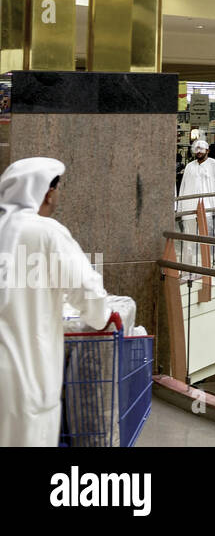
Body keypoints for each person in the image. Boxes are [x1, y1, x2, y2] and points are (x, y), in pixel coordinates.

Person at [0, 158, 111, 446]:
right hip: (26, 379)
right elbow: (90, 296)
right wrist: (103, 314)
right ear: (47, 193)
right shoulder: (46, 232)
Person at [177, 139, 215, 263]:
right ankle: (191, 258)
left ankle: (214, 257)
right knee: (190, 234)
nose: (198, 151)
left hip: (209, 205)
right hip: (189, 206)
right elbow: (183, 186)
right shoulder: (189, 166)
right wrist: (180, 206)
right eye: (196, 149)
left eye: (201, 149)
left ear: (207, 150)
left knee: (210, 232)